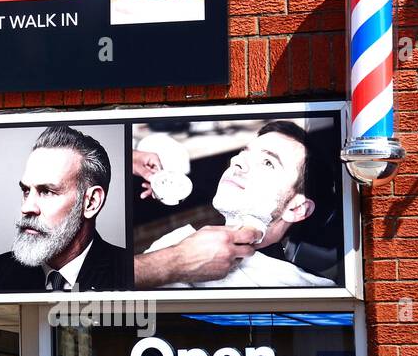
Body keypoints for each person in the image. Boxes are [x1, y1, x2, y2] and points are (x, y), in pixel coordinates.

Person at [135, 120, 335, 288]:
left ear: (296, 208)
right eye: (244, 153)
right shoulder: (173, 242)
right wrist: (176, 261)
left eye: (268, 162)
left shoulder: (308, 290)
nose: (237, 161)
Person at [0, 126, 131, 292]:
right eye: (26, 191)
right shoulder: (1, 271)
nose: (26, 208)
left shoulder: (126, 270)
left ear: (91, 202)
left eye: (47, 191)